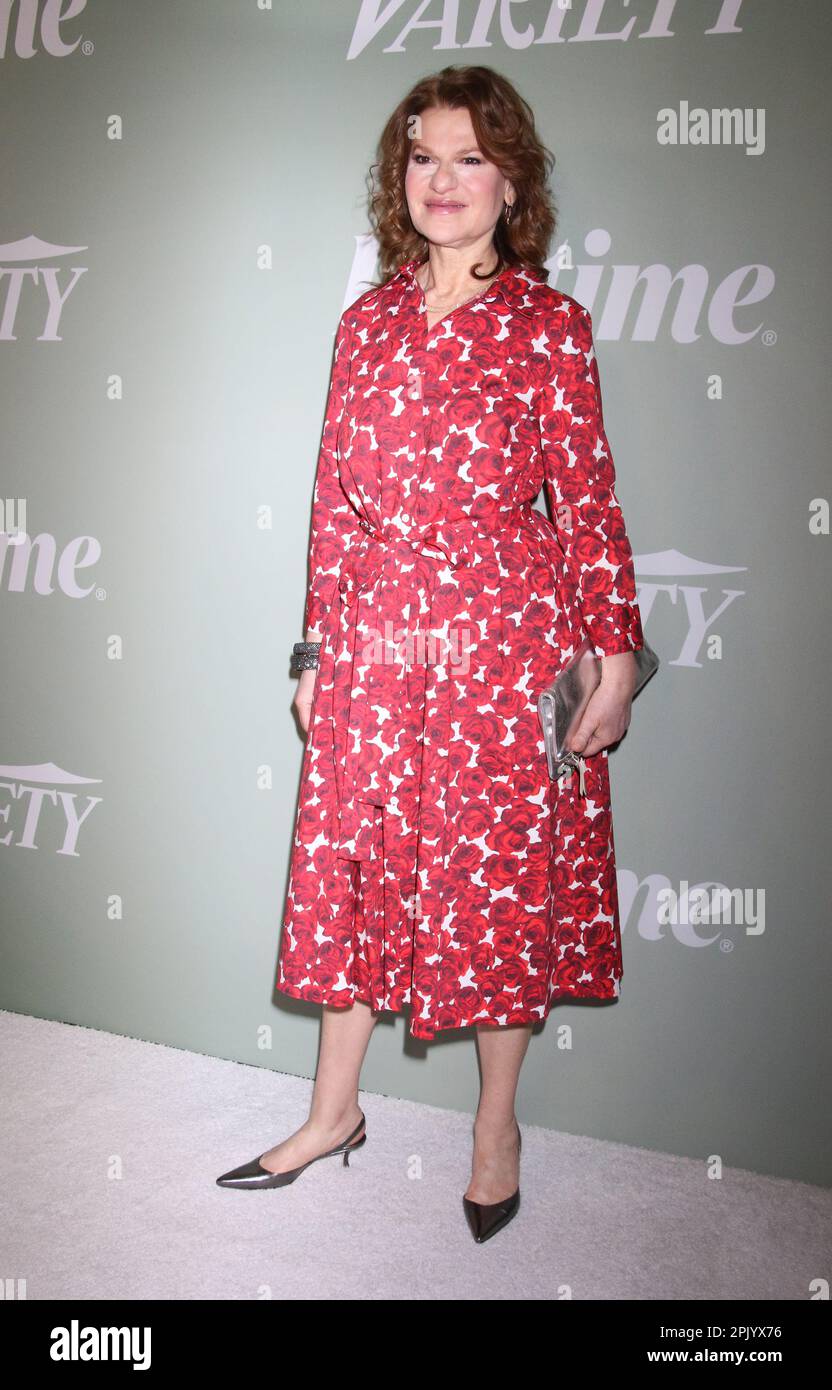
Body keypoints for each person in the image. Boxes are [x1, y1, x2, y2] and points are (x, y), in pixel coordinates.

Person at [217, 65, 645, 1244]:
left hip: (508, 644)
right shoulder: (365, 322)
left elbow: (589, 502)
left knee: (496, 892)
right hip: (376, 640)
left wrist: (613, 658)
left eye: (467, 156)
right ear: (396, 179)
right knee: (355, 871)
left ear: (510, 180)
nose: (442, 179)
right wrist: (314, 648)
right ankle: (331, 1113)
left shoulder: (549, 325)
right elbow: (331, 506)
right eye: (422, 157)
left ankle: (495, 1129)